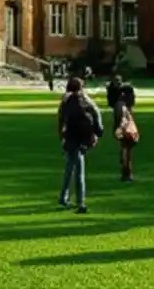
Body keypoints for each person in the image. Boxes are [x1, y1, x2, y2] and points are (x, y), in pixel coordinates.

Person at [57, 77, 103, 214]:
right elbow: (96, 114)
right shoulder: (85, 100)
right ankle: (80, 202)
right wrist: (97, 132)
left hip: (71, 138)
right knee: (78, 171)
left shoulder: (66, 101)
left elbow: (61, 120)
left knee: (70, 167)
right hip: (82, 138)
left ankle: (64, 197)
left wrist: (62, 137)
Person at [114, 99, 139, 182]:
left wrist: (119, 130)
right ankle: (127, 173)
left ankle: (126, 174)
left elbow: (122, 121)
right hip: (129, 134)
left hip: (126, 133)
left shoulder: (120, 106)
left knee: (125, 154)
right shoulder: (127, 108)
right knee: (127, 154)